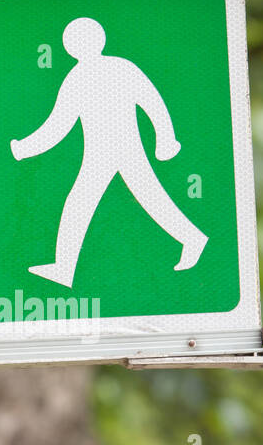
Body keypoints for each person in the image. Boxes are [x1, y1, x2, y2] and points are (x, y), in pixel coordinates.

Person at [10, 17, 208, 288]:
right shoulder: (96, 73)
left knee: (109, 201)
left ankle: (192, 239)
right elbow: (59, 124)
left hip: (117, 150)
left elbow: (151, 102)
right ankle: (64, 268)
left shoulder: (98, 73)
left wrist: (167, 139)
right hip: (106, 153)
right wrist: (26, 147)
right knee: (100, 201)